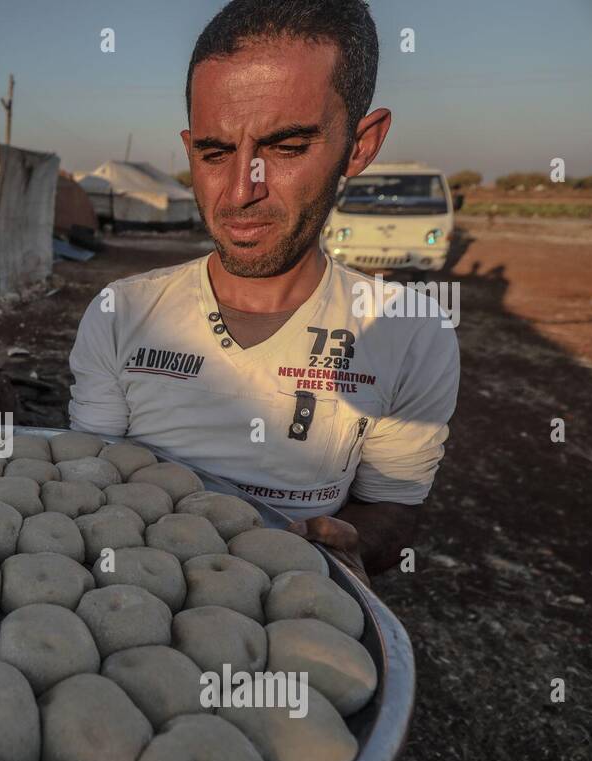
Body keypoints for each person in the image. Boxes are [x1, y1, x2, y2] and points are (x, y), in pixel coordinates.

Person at [67, 0, 460, 584]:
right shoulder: (121, 314)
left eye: (286, 148)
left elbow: (393, 504)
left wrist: (350, 546)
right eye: (214, 153)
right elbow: (86, 480)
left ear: (361, 144)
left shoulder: (408, 332)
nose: (239, 193)